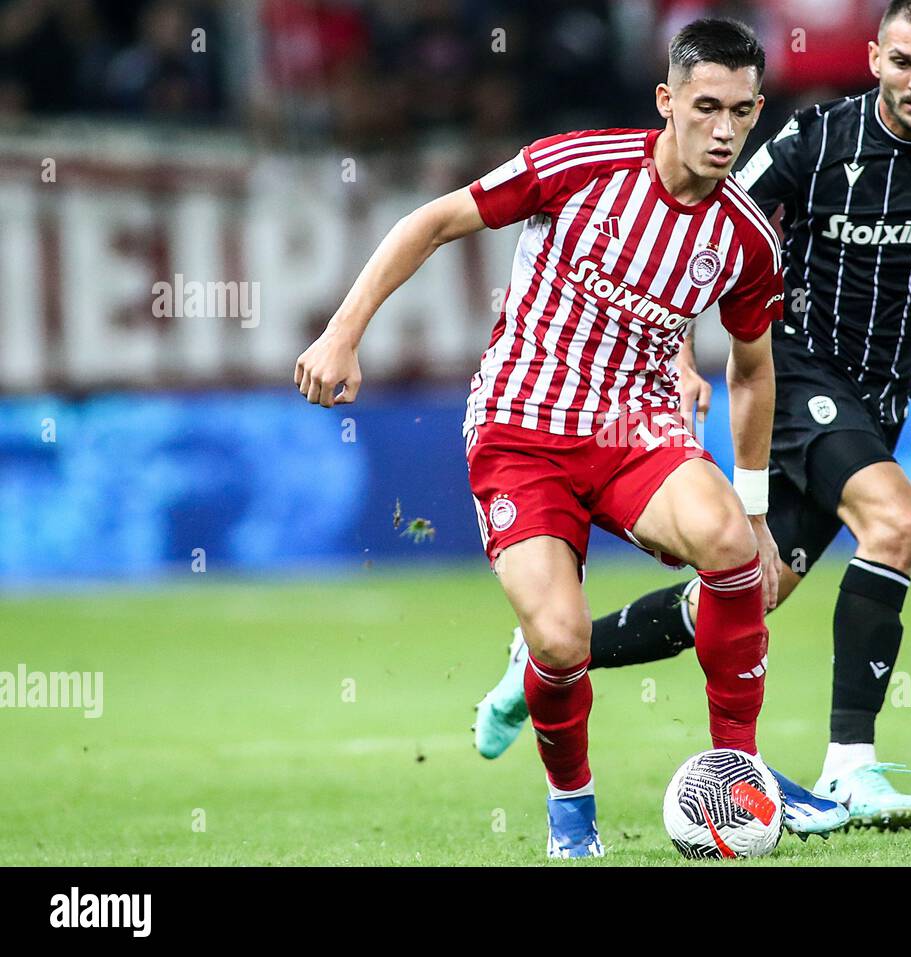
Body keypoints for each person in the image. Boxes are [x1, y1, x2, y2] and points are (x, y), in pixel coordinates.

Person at [474, 0, 911, 830]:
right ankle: (849, 766)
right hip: (795, 370)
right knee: (899, 521)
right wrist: (682, 357)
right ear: (874, 58)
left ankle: (539, 662)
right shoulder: (816, 141)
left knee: (739, 597)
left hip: (879, 398)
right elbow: (706, 238)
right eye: (902, 61)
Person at [294, 18, 849, 858]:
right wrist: (342, 333)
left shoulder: (746, 239)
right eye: (707, 108)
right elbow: (433, 222)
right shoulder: (580, 165)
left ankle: (738, 774)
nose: (726, 131)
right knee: (561, 638)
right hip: (521, 429)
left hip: (636, 431)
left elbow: (753, 369)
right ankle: (572, 814)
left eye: (743, 112)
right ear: (667, 101)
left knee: (733, 546)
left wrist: (761, 510)